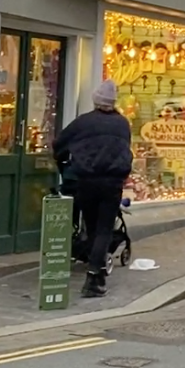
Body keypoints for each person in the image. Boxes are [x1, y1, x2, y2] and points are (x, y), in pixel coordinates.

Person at [53, 79, 132, 298]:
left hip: (86, 181)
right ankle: (94, 276)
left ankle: (95, 276)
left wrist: (64, 163)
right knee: (104, 229)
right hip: (112, 182)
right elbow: (125, 148)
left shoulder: (83, 122)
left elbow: (59, 144)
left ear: (96, 101)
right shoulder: (122, 124)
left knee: (92, 227)